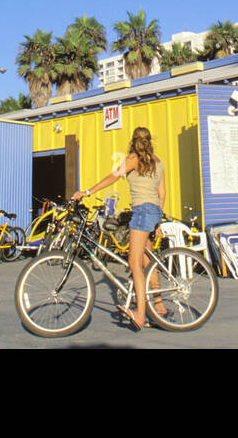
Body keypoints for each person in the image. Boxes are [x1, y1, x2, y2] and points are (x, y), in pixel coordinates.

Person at [72, 126, 166, 330]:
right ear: (150, 141)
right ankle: (159, 307)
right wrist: (158, 221)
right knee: (147, 259)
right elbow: (162, 193)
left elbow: (112, 177)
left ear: (133, 141)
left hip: (141, 213)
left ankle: (140, 315)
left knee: (134, 264)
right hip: (153, 213)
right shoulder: (158, 162)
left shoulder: (133, 159)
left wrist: (88, 191)